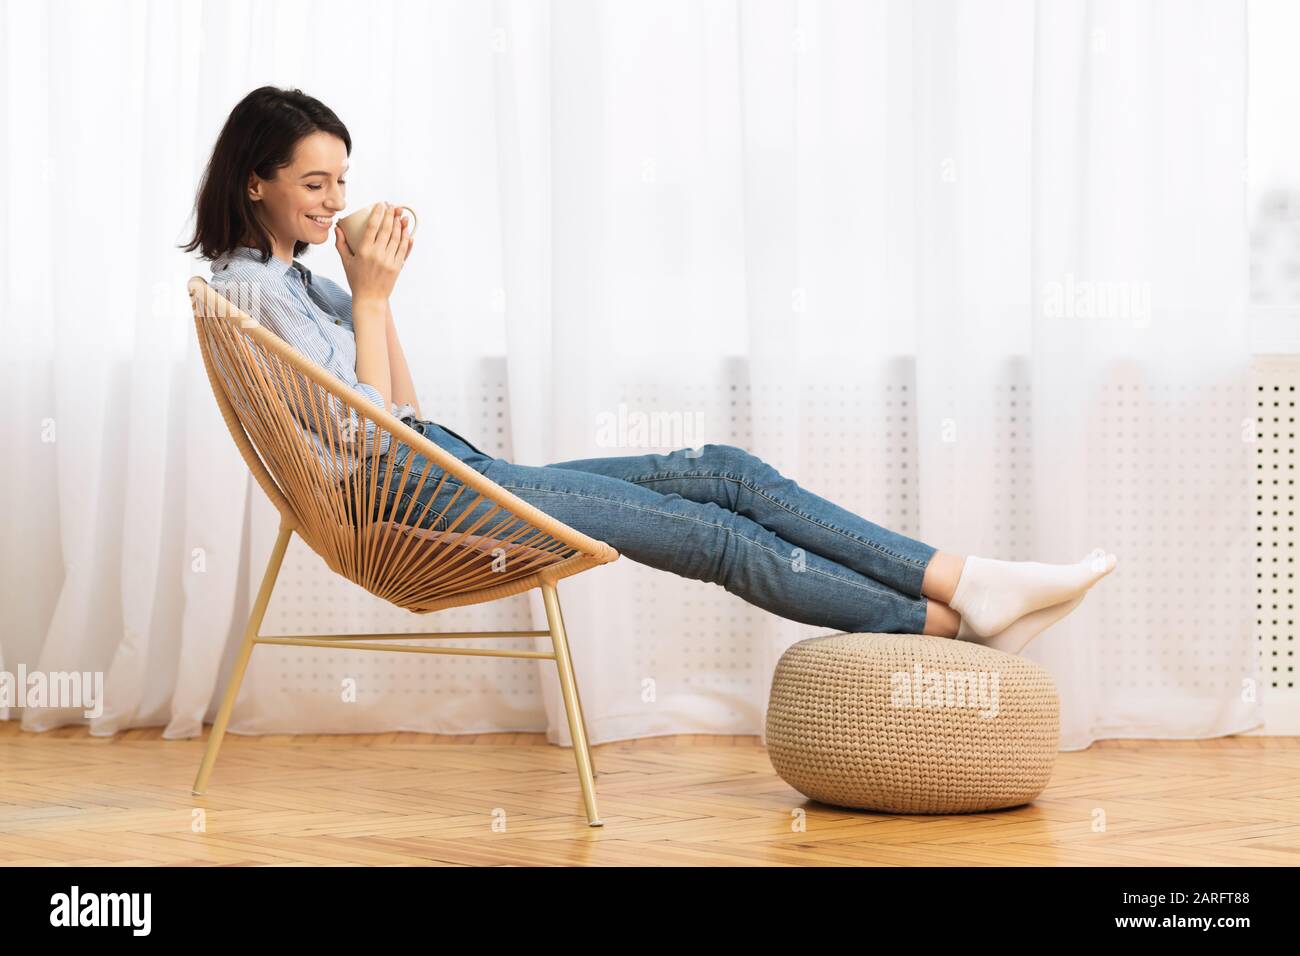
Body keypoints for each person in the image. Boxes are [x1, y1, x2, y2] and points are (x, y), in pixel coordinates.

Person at [183, 86, 1117, 656]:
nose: (336, 200)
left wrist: (368, 291)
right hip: (411, 501)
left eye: (343, 179)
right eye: (316, 184)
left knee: (725, 470)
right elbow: (370, 442)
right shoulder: (251, 295)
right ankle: (948, 625)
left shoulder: (296, 283)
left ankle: (965, 578)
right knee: (715, 534)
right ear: (254, 180)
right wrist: (376, 303)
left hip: (440, 465)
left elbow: (406, 412)